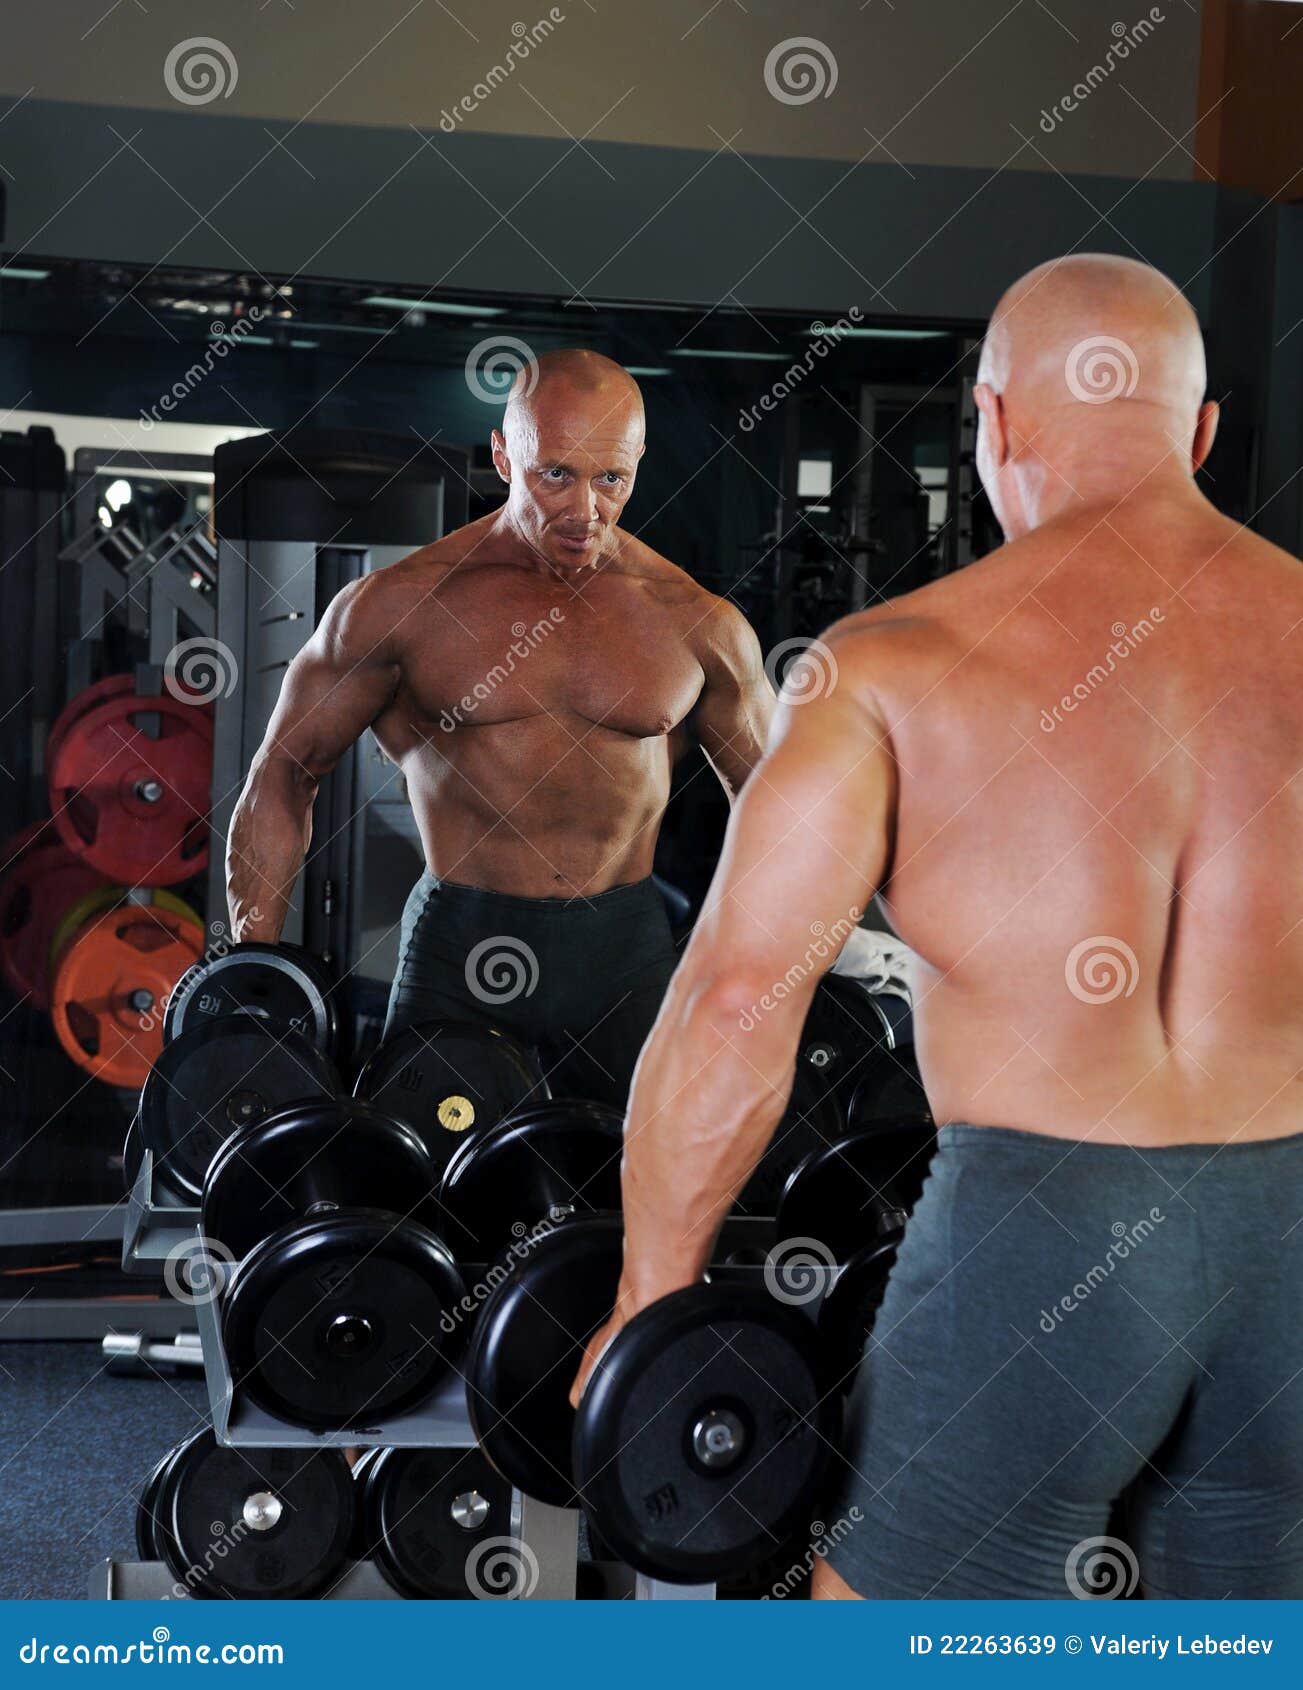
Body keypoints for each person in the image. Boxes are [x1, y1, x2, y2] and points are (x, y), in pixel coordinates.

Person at [574, 254, 1303, 1599]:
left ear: (993, 418)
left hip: (1050, 1230)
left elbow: (741, 998)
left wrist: (650, 1300)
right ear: (1200, 434)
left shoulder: (891, 667)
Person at [226, 349, 773, 1104]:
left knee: (642, 1198)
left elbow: (778, 804)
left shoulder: (696, 621)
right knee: (420, 1195)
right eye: (556, 474)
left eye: (610, 478)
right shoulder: (400, 606)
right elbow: (285, 772)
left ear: (638, 462)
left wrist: (792, 954)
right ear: (501, 455)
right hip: (460, 950)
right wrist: (252, 969)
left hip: (624, 955)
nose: (584, 510)